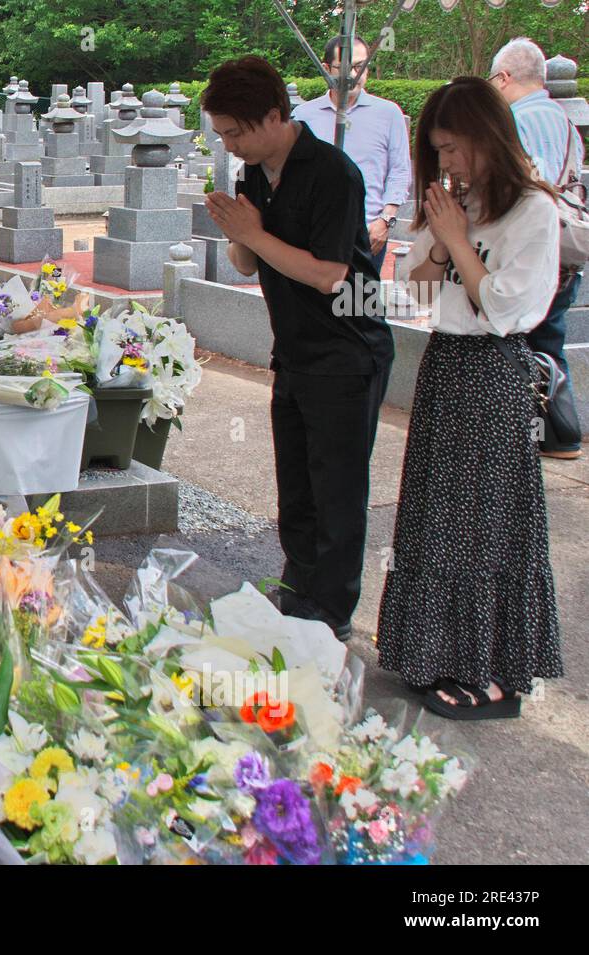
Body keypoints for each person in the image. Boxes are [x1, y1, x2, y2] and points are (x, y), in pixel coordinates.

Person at [377, 77, 563, 720]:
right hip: (448, 364)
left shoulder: (533, 210)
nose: (448, 162)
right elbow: (415, 291)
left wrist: (456, 239)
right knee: (437, 513)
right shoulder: (463, 203)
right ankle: (433, 653)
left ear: (489, 138)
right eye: (439, 151)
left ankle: (493, 675)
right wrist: (438, 238)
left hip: (494, 371)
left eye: (455, 148)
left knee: (485, 523)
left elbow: (509, 307)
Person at [202, 56, 395, 640]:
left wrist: (253, 233)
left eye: (236, 131)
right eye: (222, 135)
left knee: (336, 489)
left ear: (273, 115)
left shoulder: (331, 172)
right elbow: (245, 261)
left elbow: (330, 274)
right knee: (296, 485)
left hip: (346, 348)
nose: (230, 145)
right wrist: (240, 235)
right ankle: (296, 593)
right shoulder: (256, 172)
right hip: (294, 349)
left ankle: (329, 613)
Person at [489, 36, 584, 459]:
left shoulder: (515, 121)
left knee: (518, 355)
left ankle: (525, 439)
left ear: (505, 77)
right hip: (566, 258)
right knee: (550, 349)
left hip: (530, 259)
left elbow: (526, 192)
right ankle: (560, 433)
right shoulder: (565, 123)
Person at [293, 35, 411, 275]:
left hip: (368, 234)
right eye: (344, 68)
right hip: (314, 234)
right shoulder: (304, 116)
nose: (353, 75)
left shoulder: (389, 114)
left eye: (360, 66)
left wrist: (385, 220)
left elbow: (399, 170)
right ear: (326, 69)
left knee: (359, 307)